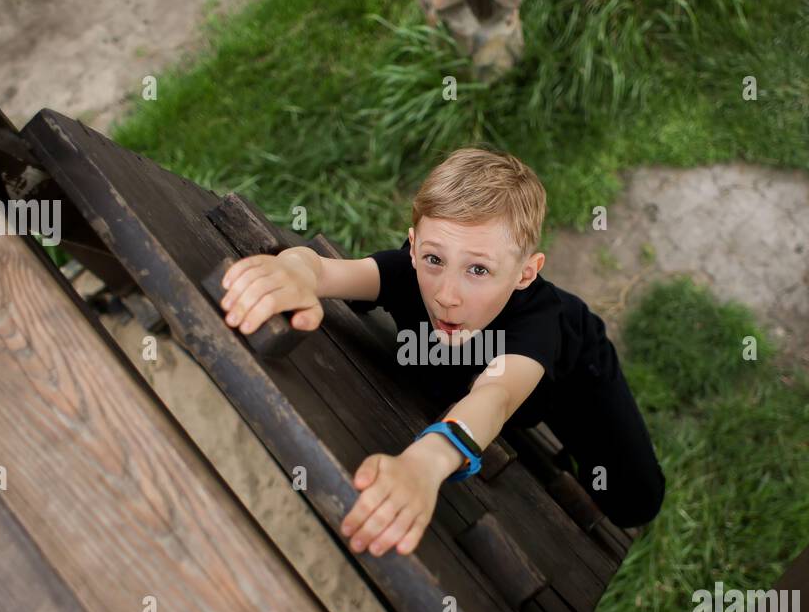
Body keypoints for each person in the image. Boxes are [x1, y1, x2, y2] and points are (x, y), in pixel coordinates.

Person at [218, 146, 665, 557]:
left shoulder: (538, 323)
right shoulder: (408, 274)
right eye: (434, 259)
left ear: (526, 273)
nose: (447, 294)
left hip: (575, 376)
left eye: (478, 269)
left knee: (636, 499)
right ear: (413, 247)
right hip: (473, 377)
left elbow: (496, 397)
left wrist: (426, 463)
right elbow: (327, 270)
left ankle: (592, 476)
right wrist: (294, 271)